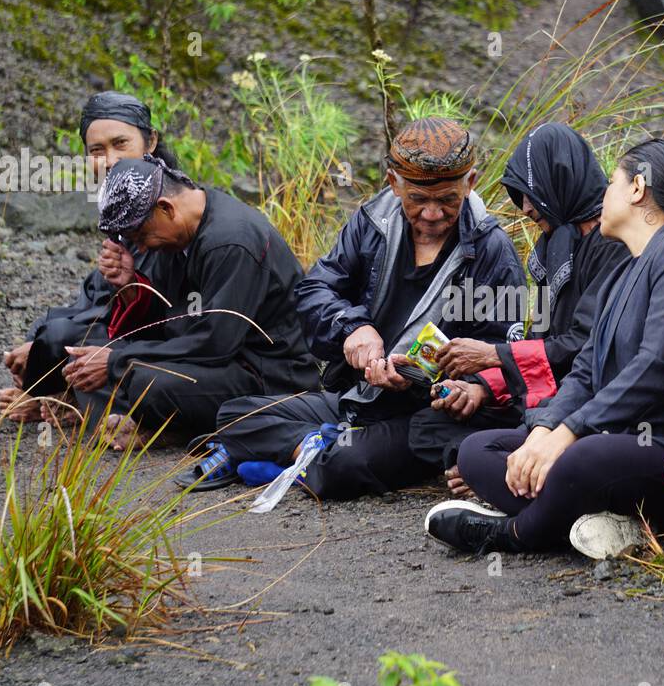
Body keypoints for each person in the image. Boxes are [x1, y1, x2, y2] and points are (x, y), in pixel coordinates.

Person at [426, 138, 664, 559]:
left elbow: (655, 366)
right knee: (479, 450)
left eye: (612, 183)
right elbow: (586, 370)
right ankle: (602, 521)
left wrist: (570, 434)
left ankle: (516, 533)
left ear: (638, 188)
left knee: (580, 458)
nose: (603, 194)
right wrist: (545, 430)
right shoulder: (625, 268)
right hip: (619, 441)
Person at [202, 117, 524, 497]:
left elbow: (506, 351)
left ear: (470, 183)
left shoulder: (492, 250)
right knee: (233, 414)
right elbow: (315, 289)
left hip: (422, 416)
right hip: (359, 396)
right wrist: (352, 327)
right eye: (418, 199)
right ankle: (307, 450)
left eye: (448, 199)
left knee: (346, 465)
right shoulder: (372, 223)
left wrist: (464, 386)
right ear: (393, 183)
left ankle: (296, 455)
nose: (432, 214)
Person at [409, 122, 631, 495]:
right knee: (425, 429)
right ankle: (495, 465)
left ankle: (497, 470)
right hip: (548, 393)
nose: (526, 208)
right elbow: (539, 341)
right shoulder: (552, 246)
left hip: (586, 399)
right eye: (519, 196)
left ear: (560, 180)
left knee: (471, 450)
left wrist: (493, 355)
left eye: (531, 194)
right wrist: (480, 388)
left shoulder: (611, 246)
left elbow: (582, 346)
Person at [61, 155, 319, 449]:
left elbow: (214, 345)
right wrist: (131, 286)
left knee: (149, 383)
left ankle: (158, 427)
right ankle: (136, 422)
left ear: (166, 208)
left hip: (266, 376)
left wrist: (117, 363)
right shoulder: (183, 231)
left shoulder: (231, 241)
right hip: (213, 361)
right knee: (87, 354)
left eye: (141, 236)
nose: (142, 247)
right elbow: (172, 324)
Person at [0, 91, 181, 423]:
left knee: (59, 338)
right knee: (48, 330)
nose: (110, 160)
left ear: (150, 141)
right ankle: (54, 392)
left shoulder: (167, 208)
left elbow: (166, 309)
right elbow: (96, 296)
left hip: (168, 341)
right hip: (128, 326)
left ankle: (61, 399)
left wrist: (48, 345)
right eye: (97, 150)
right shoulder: (121, 205)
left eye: (120, 144)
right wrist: (36, 340)